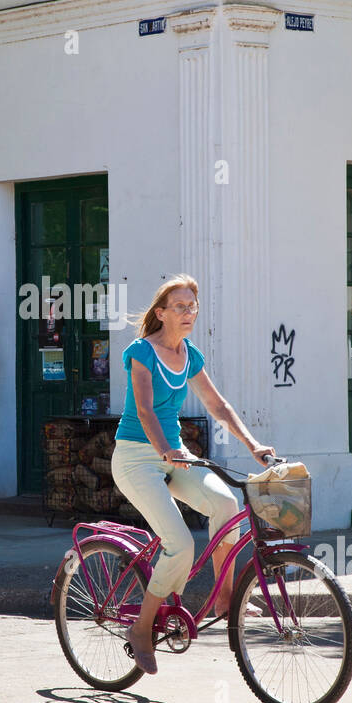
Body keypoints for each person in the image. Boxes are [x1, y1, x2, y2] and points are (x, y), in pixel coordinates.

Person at [111, 273, 276, 675]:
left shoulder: (190, 355)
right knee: (180, 544)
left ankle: (225, 595)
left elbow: (217, 406)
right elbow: (146, 410)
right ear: (161, 313)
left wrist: (252, 444)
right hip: (136, 456)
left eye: (192, 307)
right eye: (180, 307)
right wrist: (165, 450)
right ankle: (141, 628)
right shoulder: (141, 352)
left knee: (226, 502)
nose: (188, 313)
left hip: (175, 454)